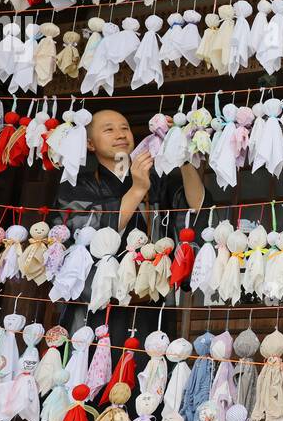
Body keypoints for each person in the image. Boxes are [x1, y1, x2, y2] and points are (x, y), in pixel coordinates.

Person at [52, 109, 206, 358]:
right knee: (90, 378)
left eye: (124, 127)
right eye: (109, 129)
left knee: (150, 379)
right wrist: (137, 190)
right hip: (99, 303)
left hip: (149, 298)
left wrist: (183, 154)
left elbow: (197, 207)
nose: (120, 134)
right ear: (90, 144)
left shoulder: (157, 179)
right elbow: (89, 236)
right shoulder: (76, 185)